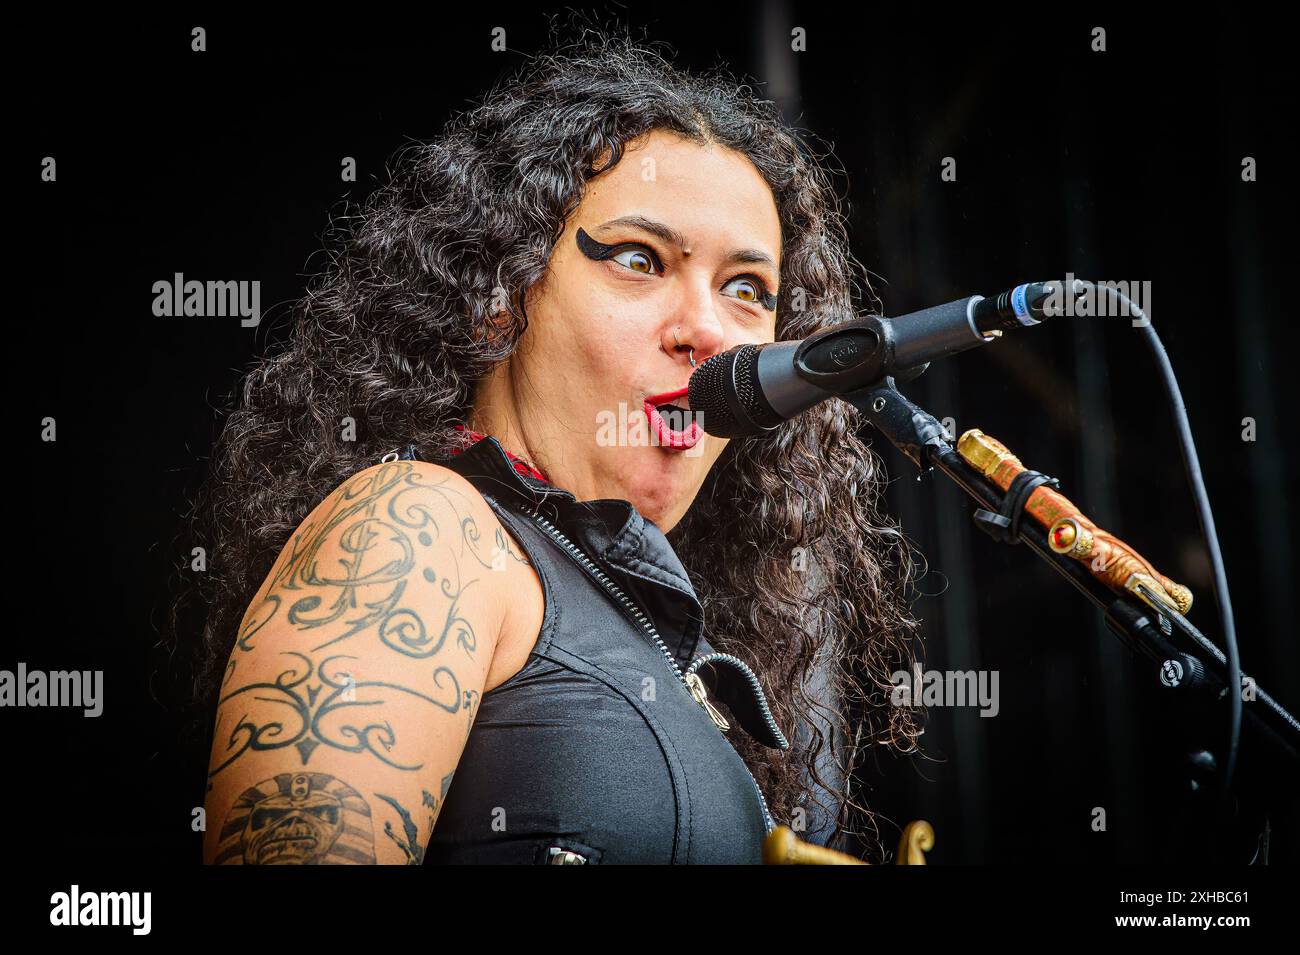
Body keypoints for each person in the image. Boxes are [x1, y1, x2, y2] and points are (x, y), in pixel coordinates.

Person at [188, 25, 923, 865]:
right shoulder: (419, 526)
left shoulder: (654, 620)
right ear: (499, 298)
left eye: (747, 289)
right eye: (641, 260)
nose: (708, 331)